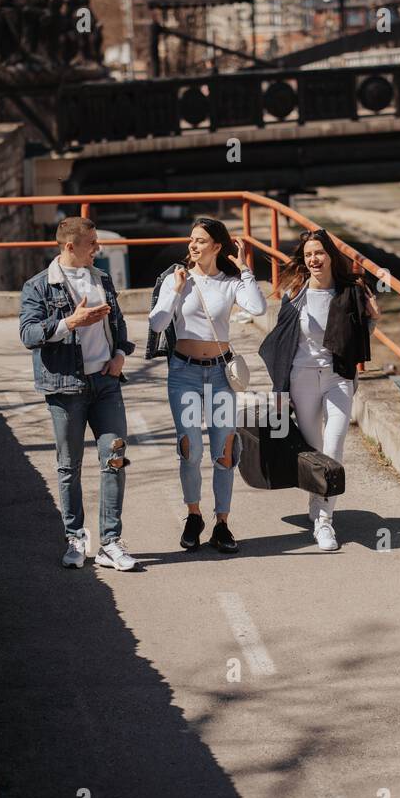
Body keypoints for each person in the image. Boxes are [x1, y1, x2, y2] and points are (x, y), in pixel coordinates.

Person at [19, 215, 137, 571]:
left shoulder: (101, 278)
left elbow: (118, 324)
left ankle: (111, 542)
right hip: (65, 387)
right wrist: (70, 322)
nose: (97, 249)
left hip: (105, 383)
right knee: (69, 467)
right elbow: (28, 334)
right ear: (70, 247)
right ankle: (75, 538)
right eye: (91, 244)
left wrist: (119, 355)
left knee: (114, 458)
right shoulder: (39, 286)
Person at [147, 216, 266, 554]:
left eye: (200, 240)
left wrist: (244, 269)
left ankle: (223, 524)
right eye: (191, 239)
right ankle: (194, 515)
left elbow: (257, 307)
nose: (193, 245)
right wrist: (175, 290)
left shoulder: (230, 282)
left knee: (224, 453)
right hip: (183, 372)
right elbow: (157, 323)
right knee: (191, 449)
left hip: (219, 374)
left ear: (216, 246)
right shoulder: (177, 278)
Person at [258, 229, 381, 552]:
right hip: (302, 377)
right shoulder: (295, 293)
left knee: (334, 447)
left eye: (319, 253)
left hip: (337, 376)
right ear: (304, 259)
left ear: (330, 257)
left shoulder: (350, 291)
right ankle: (317, 509)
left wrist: (373, 319)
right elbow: (282, 344)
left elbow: (358, 337)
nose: (314, 259)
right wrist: (280, 390)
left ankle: (324, 521)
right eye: (309, 254)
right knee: (314, 452)